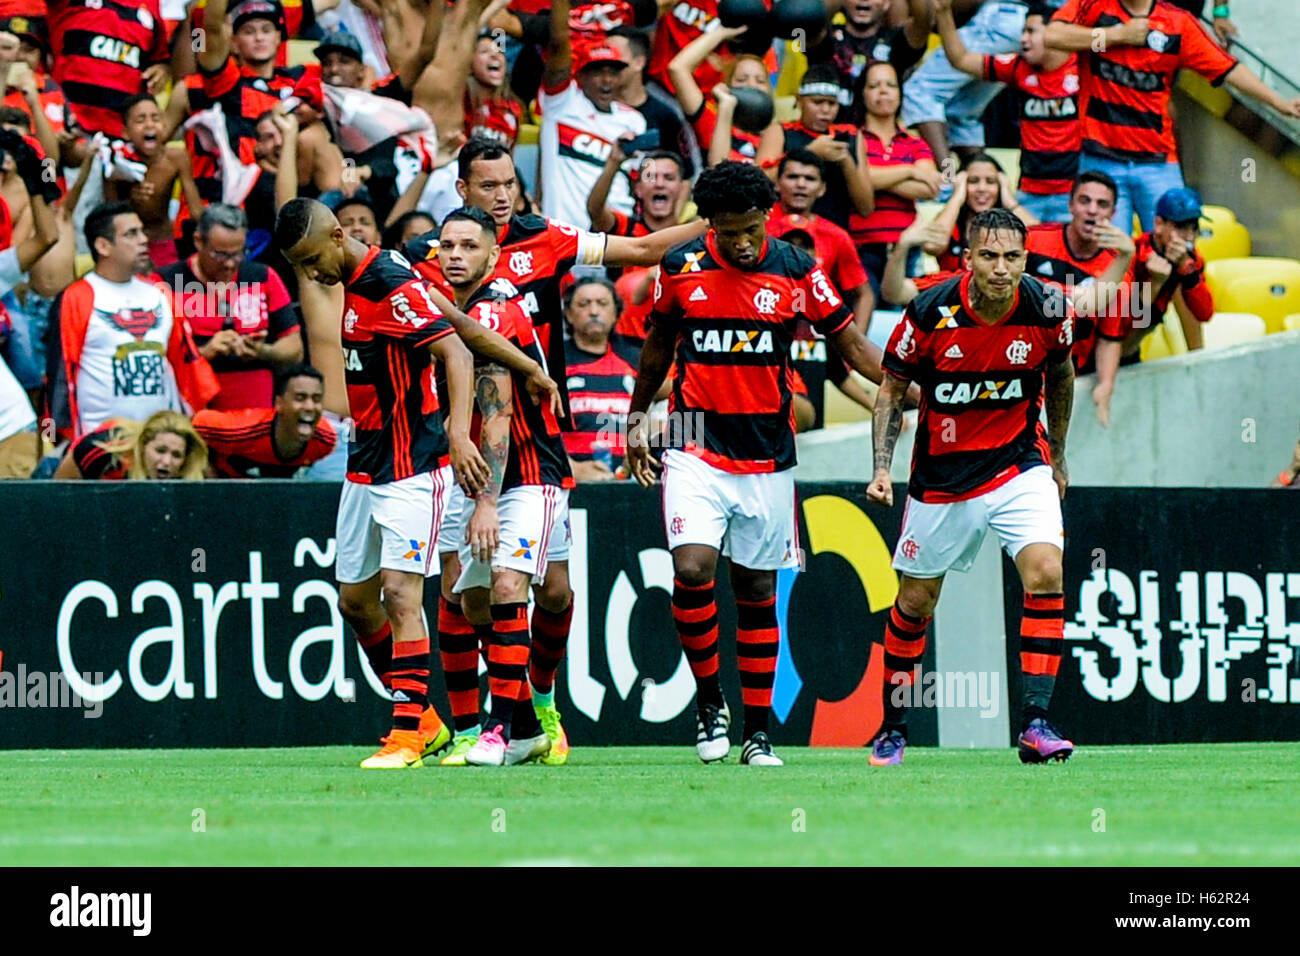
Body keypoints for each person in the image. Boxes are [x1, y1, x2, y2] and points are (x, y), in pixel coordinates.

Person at [403, 137, 705, 767]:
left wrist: (718, 216)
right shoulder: (435, 257)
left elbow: (648, 249)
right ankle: (479, 730)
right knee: (467, 586)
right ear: (462, 192)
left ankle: (534, 706)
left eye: (509, 182)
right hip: (466, 435)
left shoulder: (548, 239)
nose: (503, 194)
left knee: (556, 593)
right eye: (488, 186)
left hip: (536, 437)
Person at [624, 161, 898, 766]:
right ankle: (707, 703)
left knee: (755, 588)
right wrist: (637, 418)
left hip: (767, 453)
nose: (743, 243)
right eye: (729, 232)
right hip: (694, 440)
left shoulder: (798, 270)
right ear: (710, 226)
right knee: (693, 570)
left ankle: (756, 732)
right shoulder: (680, 268)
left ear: (767, 218)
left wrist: (906, 385)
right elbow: (657, 348)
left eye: (751, 229)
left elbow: (849, 346)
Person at [277, 196, 560, 769]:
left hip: (412, 466)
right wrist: (530, 365)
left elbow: (454, 351)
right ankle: (435, 724)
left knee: (404, 594)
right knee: (355, 601)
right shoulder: (370, 280)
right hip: (367, 462)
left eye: (312, 260)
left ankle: (408, 733)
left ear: (336, 237)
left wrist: (459, 432)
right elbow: (458, 323)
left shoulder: (385, 281)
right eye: (300, 267)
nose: (312, 274)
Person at [866, 207, 1077, 767]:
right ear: (967, 259)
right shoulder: (930, 311)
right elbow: (891, 391)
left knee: (1047, 572)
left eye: (1012, 257)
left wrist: (1056, 454)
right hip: (942, 477)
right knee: (915, 601)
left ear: (1026, 259)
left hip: (1018, 463)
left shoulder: (1050, 307)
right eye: (989, 256)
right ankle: (892, 727)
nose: (1001, 268)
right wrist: (883, 467)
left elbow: (1060, 374)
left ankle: (1035, 723)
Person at [436, 206, 574, 767]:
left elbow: (497, 411)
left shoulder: (495, 307)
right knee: (467, 598)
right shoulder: (446, 304)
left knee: (510, 583)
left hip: (527, 473)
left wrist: (487, 503)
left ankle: (498, 729)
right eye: (447, 245)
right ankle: (519, 722)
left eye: (469, 246)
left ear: (493, 255)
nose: (455, 255)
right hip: (473, 473)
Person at [1047, 0, 1300, 231]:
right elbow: (1053, 36)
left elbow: (1226, 68)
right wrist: (1116, 36)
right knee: (1106, 255)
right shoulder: (1093, 6)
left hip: (1157, 162)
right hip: (1100, 159)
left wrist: (1279, 102)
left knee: (1174, 248)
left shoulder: (1177, 23)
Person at [50, 201, 218, 440]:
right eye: (131, 234)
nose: (143, 239)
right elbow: (59, 378)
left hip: (158, 446)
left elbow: (186, 366)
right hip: (101, 445)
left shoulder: (161, 294)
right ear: (103, 246)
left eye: (141, 231)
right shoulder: (75, 298)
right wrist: (62, 441)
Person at [934, 0, 1080, 224]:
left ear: (1053, 34)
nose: (1023, 39)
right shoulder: (1018, 67)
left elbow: (1104, 43)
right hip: (1029, 194)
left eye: (1031, 31)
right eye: (1023, 31)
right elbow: (961, 59)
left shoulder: (1084, 69)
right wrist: (943, 13)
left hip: (1071, 197)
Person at [1091, 186, 1215, 427]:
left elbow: (1204, 312)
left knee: (1126, 419)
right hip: (1103, 346)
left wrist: (1187, 271)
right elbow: (1124, 324)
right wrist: (1154, 284)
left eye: (1193, 228)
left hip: (1133, 346)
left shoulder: (1191, 261)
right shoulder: (1133, 254)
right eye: (1181, 227)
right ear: (1159, 224)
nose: (1189, 237)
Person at [160, 203, 302, 410]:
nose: (229, 264)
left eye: (238, 254)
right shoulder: (167, 282)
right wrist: (203, 352)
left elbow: (295, 349)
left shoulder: (262, 276)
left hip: (257, 413)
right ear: (198, 241)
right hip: (194, 413)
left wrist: (262, 351)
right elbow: (155, 356)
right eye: (220, 255)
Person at [537, 0, 646, 227]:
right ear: (582, 76)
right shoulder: (562, 103)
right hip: (566, 232)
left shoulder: (634, 121)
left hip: (618, 231)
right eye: (597, 72)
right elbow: (558, 45)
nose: (606, 80)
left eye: (613, 72)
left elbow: (641, 181)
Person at [1024, 170, 1137, 372]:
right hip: (1021, 362)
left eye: (1102, 204)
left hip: (1072, 373)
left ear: (1113, 213)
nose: (1092, 210)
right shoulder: (1032, 241)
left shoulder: (1118, 270)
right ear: (1071, 205)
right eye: (1084, 201)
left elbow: (1109, 339)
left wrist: (1104, 391)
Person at [899, 0, 1028, 170]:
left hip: (998, 17)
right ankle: (977, 184)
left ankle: (948, 177)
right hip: (1022, 24)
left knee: (919, 90)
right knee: (961, 112)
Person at [853, 60, 942, 298]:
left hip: (907, 247)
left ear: (900, 94)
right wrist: (909, 170)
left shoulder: (915, 142)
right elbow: (857, 179)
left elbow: (928, 188)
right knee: (864, 324)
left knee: (899, 323)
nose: (883, 91)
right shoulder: (852, 137)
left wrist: (873, 177)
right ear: (863, 93)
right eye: (874, 85)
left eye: (890, 85)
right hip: (860, 247)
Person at [757, 65, 874, 231]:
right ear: (799, 101)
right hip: (783, 232)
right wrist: (810, 152)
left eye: (832, 103)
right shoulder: (781, 131)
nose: (825, 110)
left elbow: (866, 208)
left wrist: (846, 161)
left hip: (833, 236)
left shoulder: (850, 135)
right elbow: (759, 184)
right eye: (817, 102)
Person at [104, 94, 205, 268]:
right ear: (125, 132)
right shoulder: (116, 162)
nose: (149, 124)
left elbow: (195, 208)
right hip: (128, 247)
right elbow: (109, 215)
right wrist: (131, 201)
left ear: (164, 127)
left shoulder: (176, 158)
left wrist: (208, 235)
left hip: (164, 242)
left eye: (155, 118)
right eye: (140, 120)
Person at [46, 0, 170, 138]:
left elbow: (159, 59)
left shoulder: (152, 4)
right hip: (70, 126)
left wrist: (161, 70)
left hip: (124, 134)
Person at [193, 362, 338, 477]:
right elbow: (195, 424)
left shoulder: (325, 440)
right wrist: (206, 469)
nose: (310, 407)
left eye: (316, 399)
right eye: (300, 398)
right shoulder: (239, 431)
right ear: (278, 403)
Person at [667, 24, 779, 167]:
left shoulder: (775, 132)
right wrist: (720, 33)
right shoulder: (711, 118)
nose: (751, 85)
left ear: (769, 89)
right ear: (728, 85)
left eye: (760, 80)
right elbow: (677, 68)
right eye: (741, 79)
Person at [806, 0, 932, 123]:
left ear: (886, 3)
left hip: (878, 138)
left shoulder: (895, 41)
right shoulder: (821, 35)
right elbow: (806, 23)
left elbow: (924, 22)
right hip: (824, 135)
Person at [562, 276, 636, 479]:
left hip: (631, 483)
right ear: (568, 314)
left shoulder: (638, 360)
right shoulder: (553, 363)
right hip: (570, 481)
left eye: (602, 304)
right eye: (584, 304)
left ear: (616, 313)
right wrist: (572, 469)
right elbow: (536, 431)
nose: (594, 311)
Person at [924, 152, 1035, 273]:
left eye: (990, 181)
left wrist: (1008, 198)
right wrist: (957, 197)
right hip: (953, 289)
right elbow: (932, 246)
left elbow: (1040, 239)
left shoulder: (1010, 225)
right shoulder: (950, 221)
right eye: (973, 181)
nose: (982, 188)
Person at [608, 25, 695, 177]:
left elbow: (685, 175)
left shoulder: (665, 116)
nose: (608, 66)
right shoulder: (590, 106)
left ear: (639, 62)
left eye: (616, 59)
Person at [54, 409, 209, 480]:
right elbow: (57, 494)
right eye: (160, 451)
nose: (166, 462)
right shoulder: (101, 450)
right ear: (142, 447)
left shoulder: (188, 473)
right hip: (61, 463)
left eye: (176, 455)